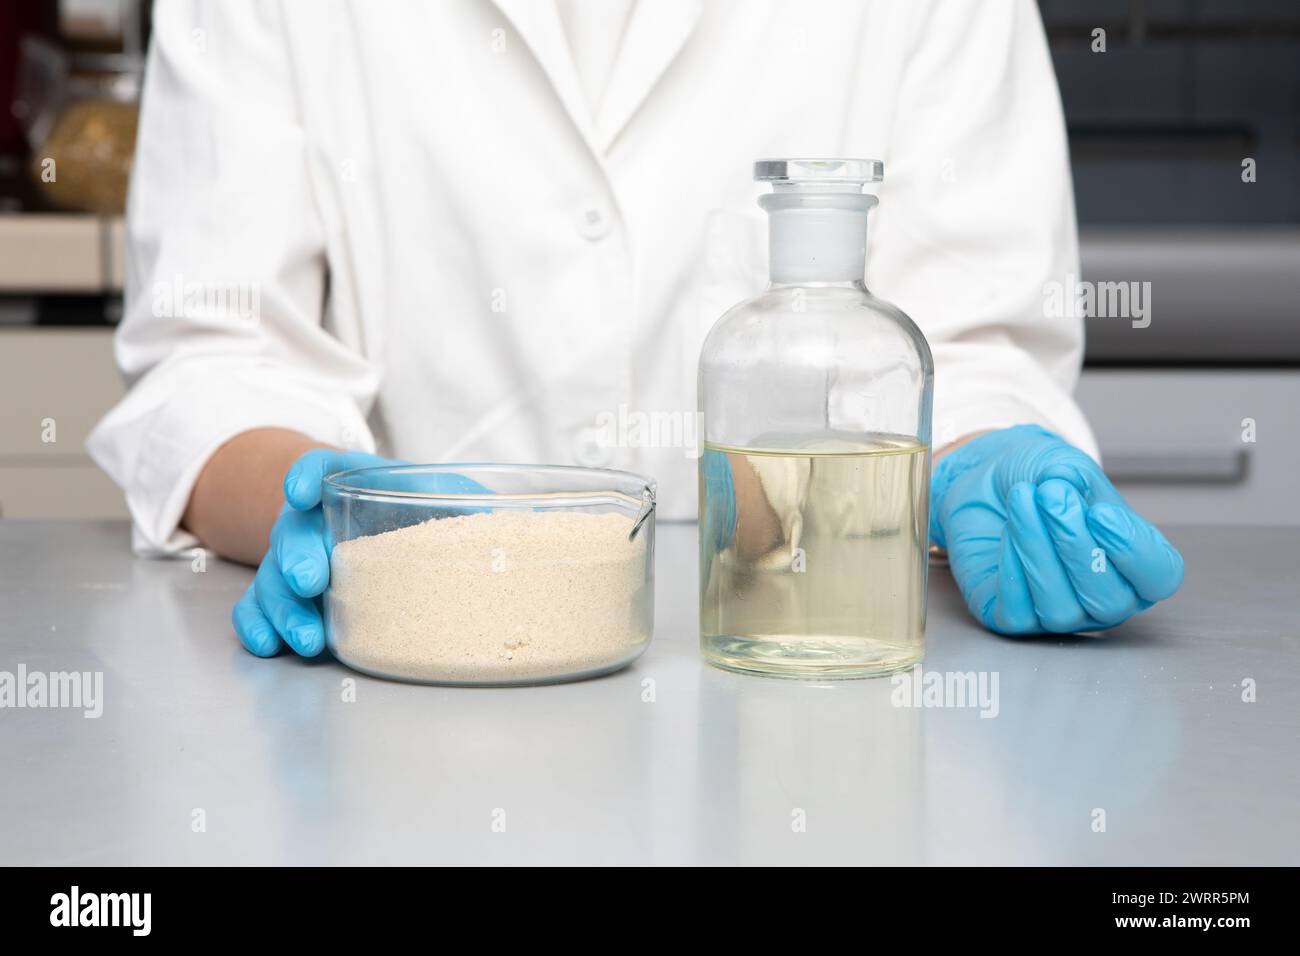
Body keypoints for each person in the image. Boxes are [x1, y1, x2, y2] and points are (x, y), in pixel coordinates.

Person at [88, 0, 1183, 658]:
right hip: (406, 681)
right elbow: (216, 355)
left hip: (804, 700)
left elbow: (974, 343)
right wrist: (349, 516)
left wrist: (974, 465)